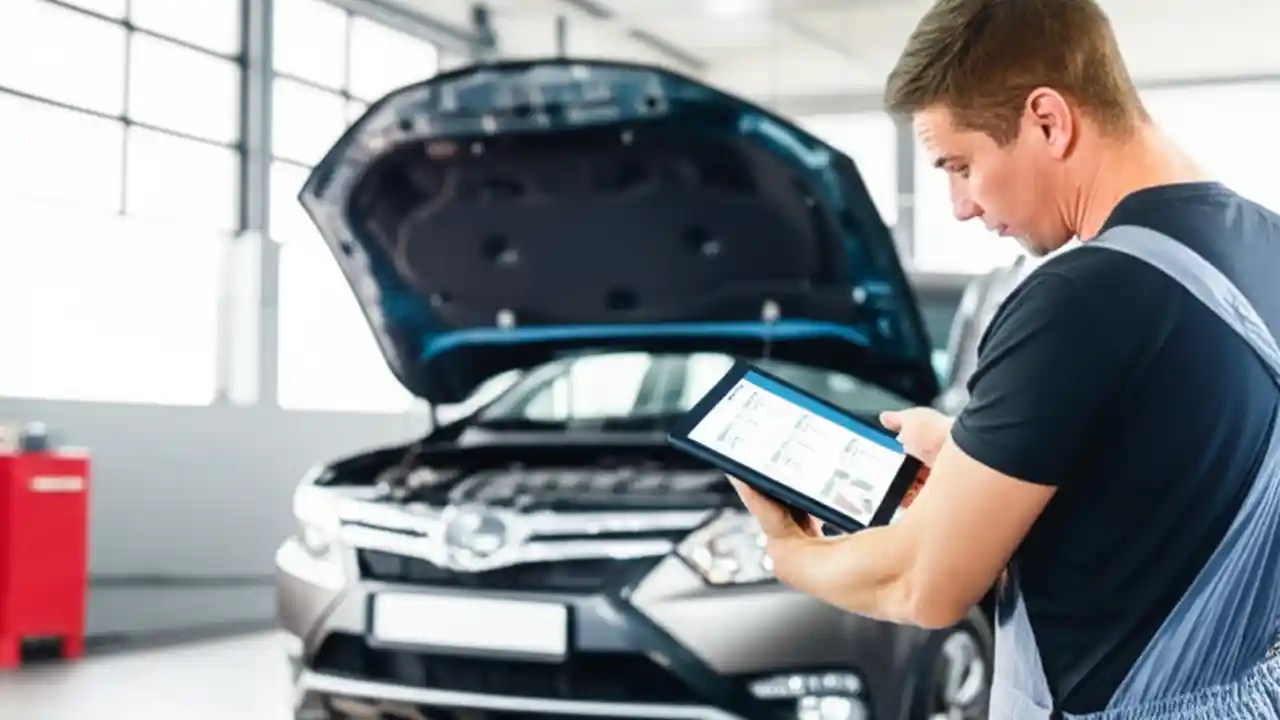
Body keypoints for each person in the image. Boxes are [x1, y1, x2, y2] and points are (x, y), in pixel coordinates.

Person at [728, 0, 1280, 718]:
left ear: (1047, 120)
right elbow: (1172, 480)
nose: (959, 204)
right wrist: (971, 455)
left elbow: (923, 585)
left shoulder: (1079, 297)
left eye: (960, 164)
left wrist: (788, 552)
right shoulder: (1266, 247)